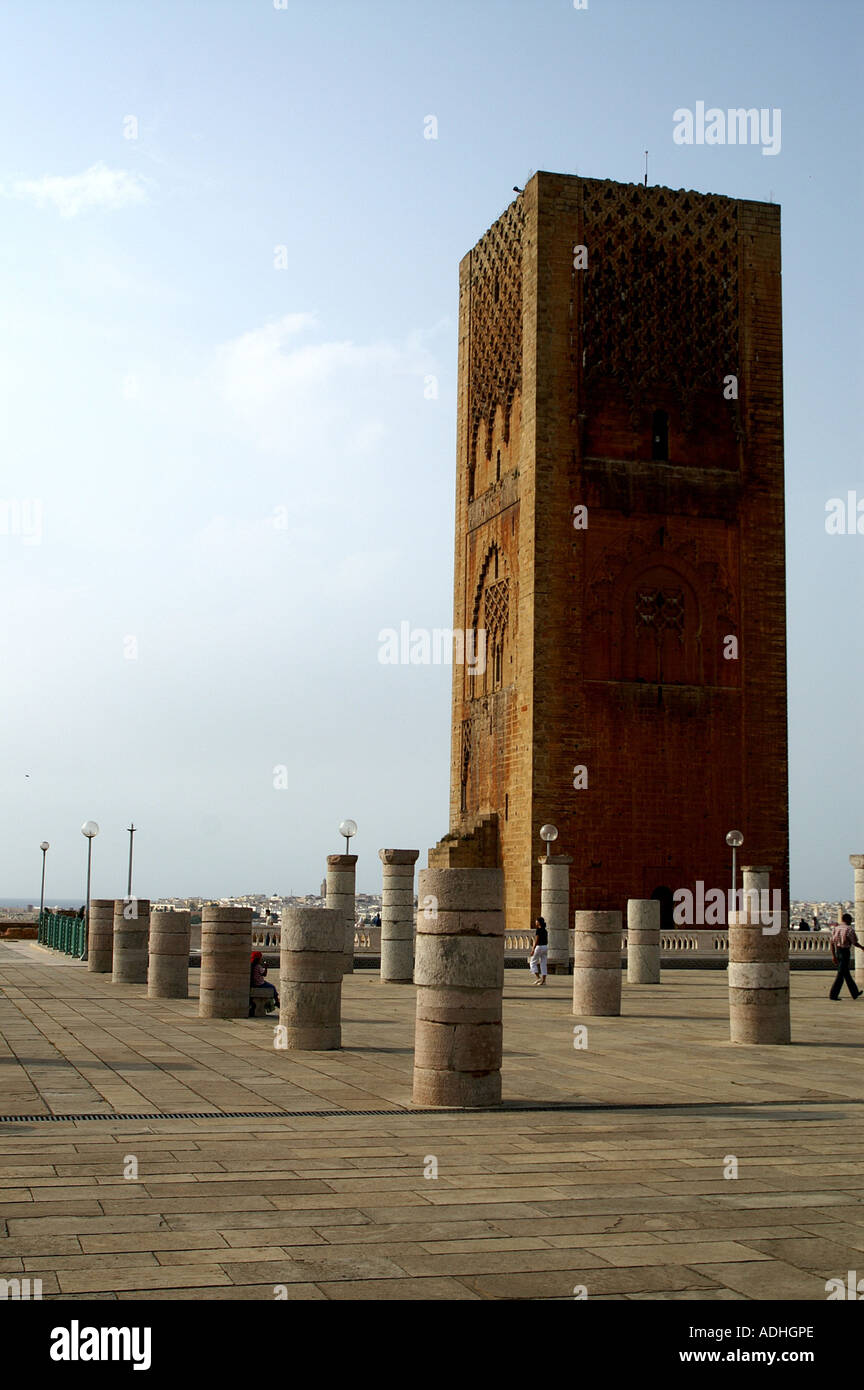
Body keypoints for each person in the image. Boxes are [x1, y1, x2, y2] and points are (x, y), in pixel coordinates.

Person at [829, 914, 862, 1001]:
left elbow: (832, 943)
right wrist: (862, 948)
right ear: (847, 920)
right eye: (850, 919)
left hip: (838, 951)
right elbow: (854, 942)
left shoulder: (836, 928)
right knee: (841, 975)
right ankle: (833, 995)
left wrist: (834, 956)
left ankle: (855, 993)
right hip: (845, 953)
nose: (851, 921)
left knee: (846, 974)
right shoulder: (849, 929)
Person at [249, 950, 280, 1015]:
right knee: (272, 987)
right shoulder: (258, 966)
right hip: (260, 984)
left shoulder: (251, 966)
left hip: (255, 983)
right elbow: (264, 974)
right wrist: (266, 967)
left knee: (267, 983)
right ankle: (277, 1001)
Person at [529, 916, 548, 986]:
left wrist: (533, 949)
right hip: (545, 947)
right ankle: (544, 981)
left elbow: (536, 941)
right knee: (543, 963)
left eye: (536, 921)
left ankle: (538, 977)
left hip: (539, 947)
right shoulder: (545, 931)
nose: (535, 922)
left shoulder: (538, 930)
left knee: (532, 962)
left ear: (539, 922)